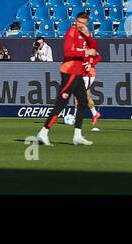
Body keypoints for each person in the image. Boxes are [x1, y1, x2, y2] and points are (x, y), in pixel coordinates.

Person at [33, 10, 97, 147]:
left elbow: (95, 49)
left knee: (83, 102)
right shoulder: (71, 32)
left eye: (84, 23)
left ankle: (77, 135)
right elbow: (68, 52)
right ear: (75, 20)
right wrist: (85, 52)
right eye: (79, 22)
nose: (81, 25)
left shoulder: (84, 33)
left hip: (78, 72)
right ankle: (43, 132)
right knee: (61, 103)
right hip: (69, 72)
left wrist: (89, 37)